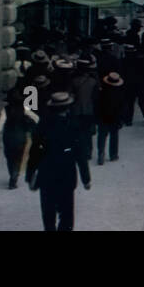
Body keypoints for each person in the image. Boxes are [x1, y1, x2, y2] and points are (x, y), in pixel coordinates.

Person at [27, 91, 89, 232]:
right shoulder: (73, 125)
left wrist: (30, 175)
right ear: (67, 107)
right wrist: (86, 178)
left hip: (47, 175)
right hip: (66, 176)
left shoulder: (43, 124)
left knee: (48, 213)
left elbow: (34, 152)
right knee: (66, 213)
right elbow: (80, 154)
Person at [1, 84, 36, 189]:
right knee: (18, 157)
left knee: (9, 157)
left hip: (8, 136)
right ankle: (14, 176)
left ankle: (12, 173)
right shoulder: (25, 109)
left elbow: (0, 123)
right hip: (21, 136)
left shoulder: (5, 109)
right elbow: (36, 119)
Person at [96, 73, 125, 164]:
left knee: (102, 135)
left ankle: (101, 152)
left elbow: (97, 105)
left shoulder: (102, 92)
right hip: (115, 117)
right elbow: (122, 107)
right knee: (114, 136)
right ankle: (113, 154)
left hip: (103, 116)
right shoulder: (119, 93)